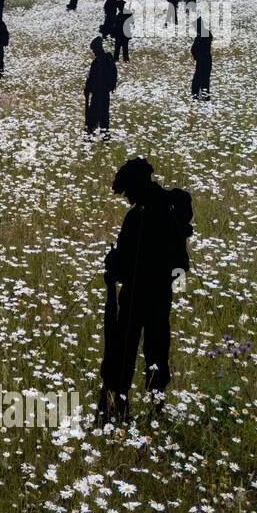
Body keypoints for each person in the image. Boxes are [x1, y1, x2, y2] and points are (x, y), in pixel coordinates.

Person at [99, 157, 192, 422]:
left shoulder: (137, 218)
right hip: (162, 295)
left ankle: (121, 404)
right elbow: (180, 266)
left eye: (128, 192)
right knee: (157, 349)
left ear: (136, 186)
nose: (127, 198)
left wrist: (111, 265)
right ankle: (157, 405)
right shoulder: (170, 211)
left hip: (135, 295)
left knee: (124, 350)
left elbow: (123, 264)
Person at [84, 36, 117, 136]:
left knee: (95, 121)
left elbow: (94, 78)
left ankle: (95, 138)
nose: (94, 52)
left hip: (100, 95)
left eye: (94, 49)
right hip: (101, 95)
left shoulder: (102, 62)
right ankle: (103, 139)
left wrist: (88, 88)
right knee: (102, 120)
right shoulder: (102, 61)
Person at [190, 17, 213, 99]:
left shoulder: (200, 37)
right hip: (207, 60)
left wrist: (196, 57)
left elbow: (193, 49)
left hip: (201, 61)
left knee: (197, 80)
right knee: (205, 80)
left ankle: (196, 95)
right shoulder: (207, 34)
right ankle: (205, 96)